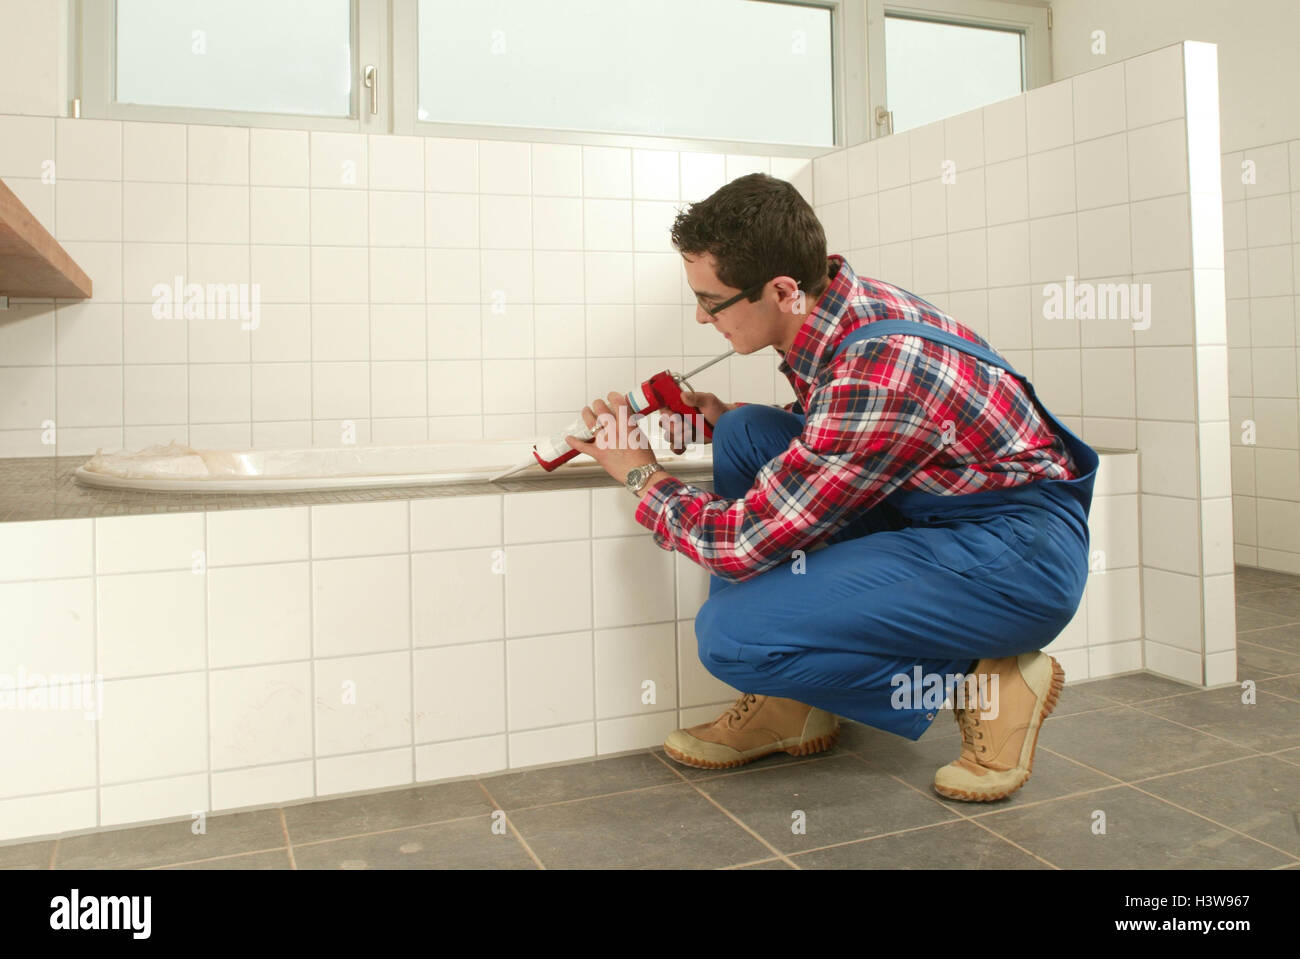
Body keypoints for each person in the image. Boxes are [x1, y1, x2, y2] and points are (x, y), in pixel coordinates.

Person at [565, 173, 1097, 802]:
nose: (702, 317)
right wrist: (714, 413)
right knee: (744, 431)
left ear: (782, 289)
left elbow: (736, 546)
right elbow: (849, 438)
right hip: (945, 517)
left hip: (1013, 557)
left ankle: (985, 682)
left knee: (732, 638)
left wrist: (638, 472)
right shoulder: (845, 303)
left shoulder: (877, 371)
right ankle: (790, 707)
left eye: (712, 301)